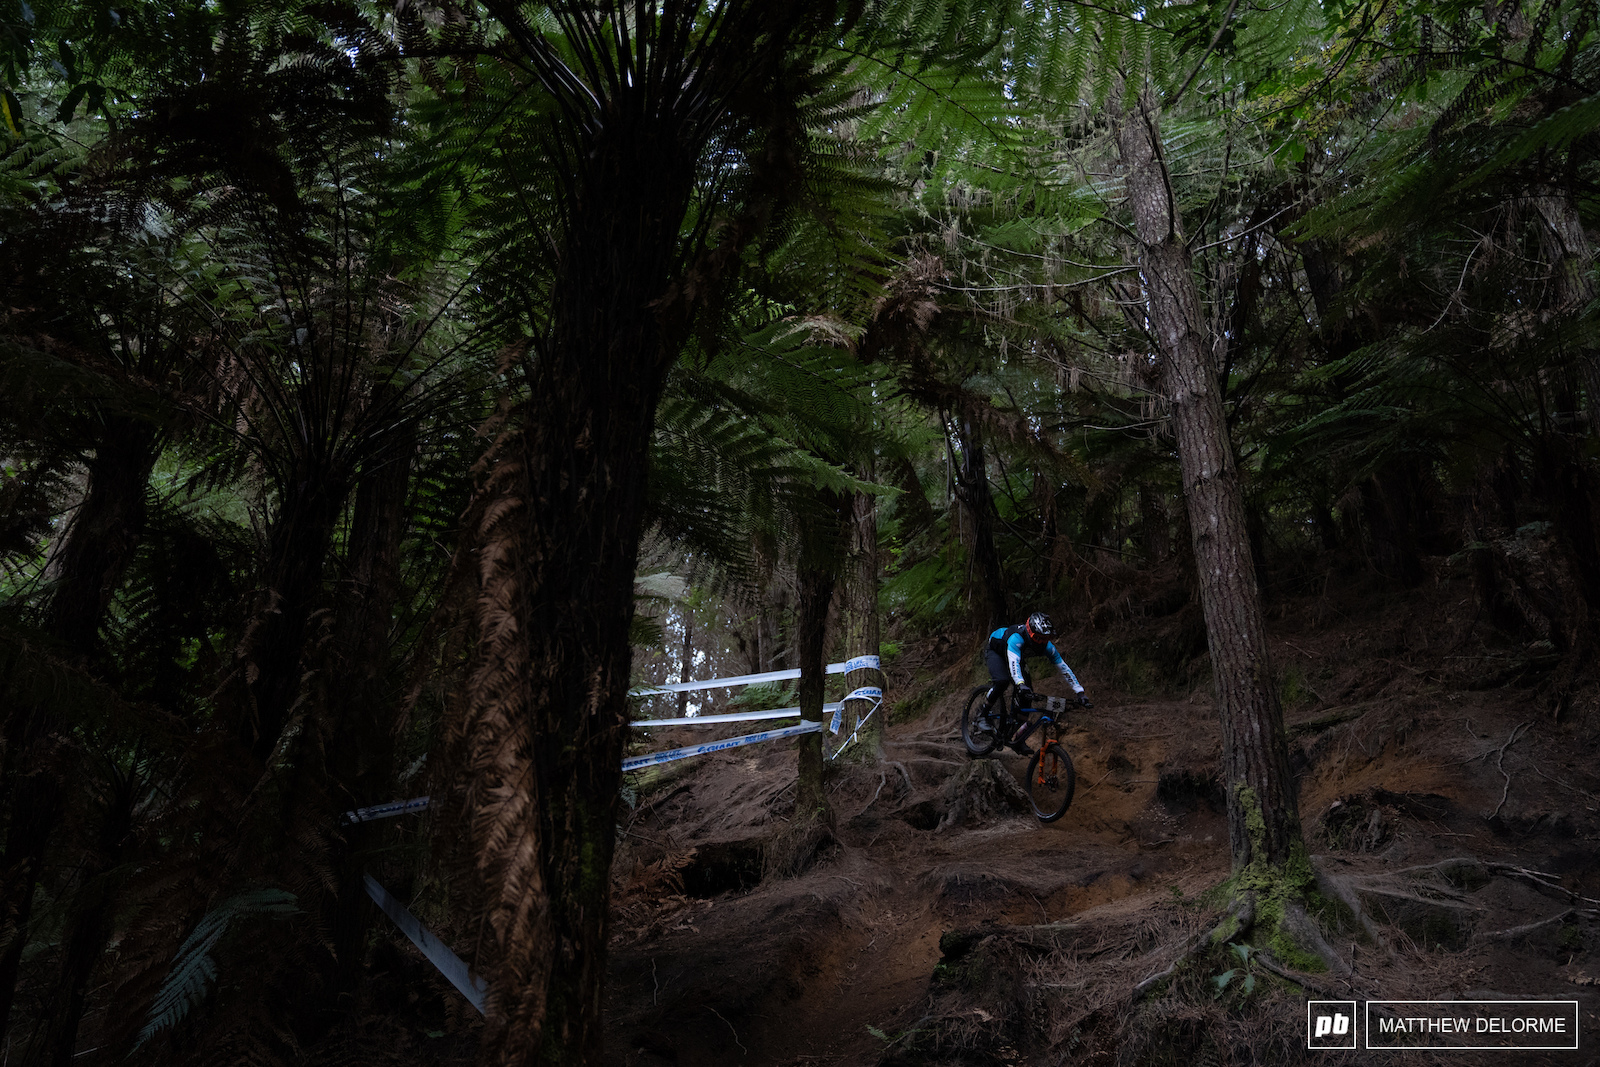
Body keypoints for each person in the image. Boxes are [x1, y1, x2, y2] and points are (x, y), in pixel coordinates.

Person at [982, 611, 1090, 755]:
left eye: (1045, 638)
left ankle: (1019, 739)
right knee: (1002, 681)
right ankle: (982, 715)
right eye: (1038, 638)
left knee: (1028, 694)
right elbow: (1014, 664)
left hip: (1016, 655)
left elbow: (1064, 668)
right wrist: (1020, 683)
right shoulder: (1017, 638)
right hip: (997, 651)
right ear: (1030, 633)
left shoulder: (1047, 646)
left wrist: (1079, 692)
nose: (1041, 642)